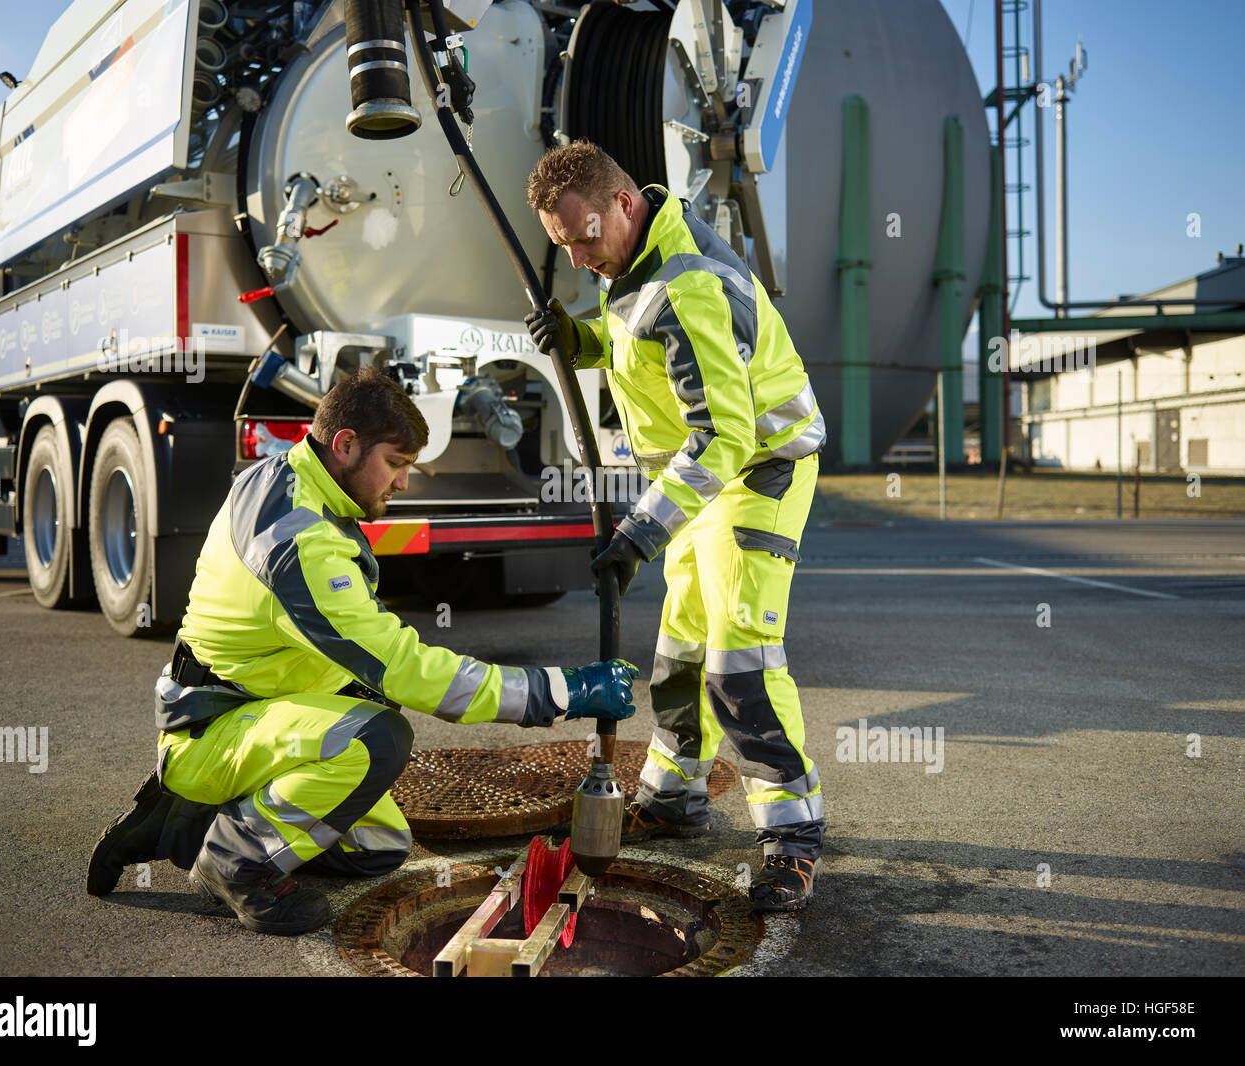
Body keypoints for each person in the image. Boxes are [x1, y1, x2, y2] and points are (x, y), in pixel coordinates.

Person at [86, 367, 638, 935]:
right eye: (395, 464)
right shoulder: (298, 543)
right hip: (213, 727)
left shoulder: (283, 477)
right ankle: (233, 860)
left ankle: (190, 819)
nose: (402, 483)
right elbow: (404, 666)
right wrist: (562, 690)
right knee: (378, 736)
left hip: (243, 708)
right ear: (345, 445)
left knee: (378, 846)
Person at [524, 141, 828, 912]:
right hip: (699, 481)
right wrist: (579, 339)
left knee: (739, 665)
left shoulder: (684, 284)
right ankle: (672, 796)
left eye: (586, 236)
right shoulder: (634, 263)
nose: (582, 258)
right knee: (680, 655)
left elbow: (724, 435)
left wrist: (638, 533)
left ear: (624, 202)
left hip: (756, 469)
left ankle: (791, 839)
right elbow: (641, 350)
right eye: (565, 248)